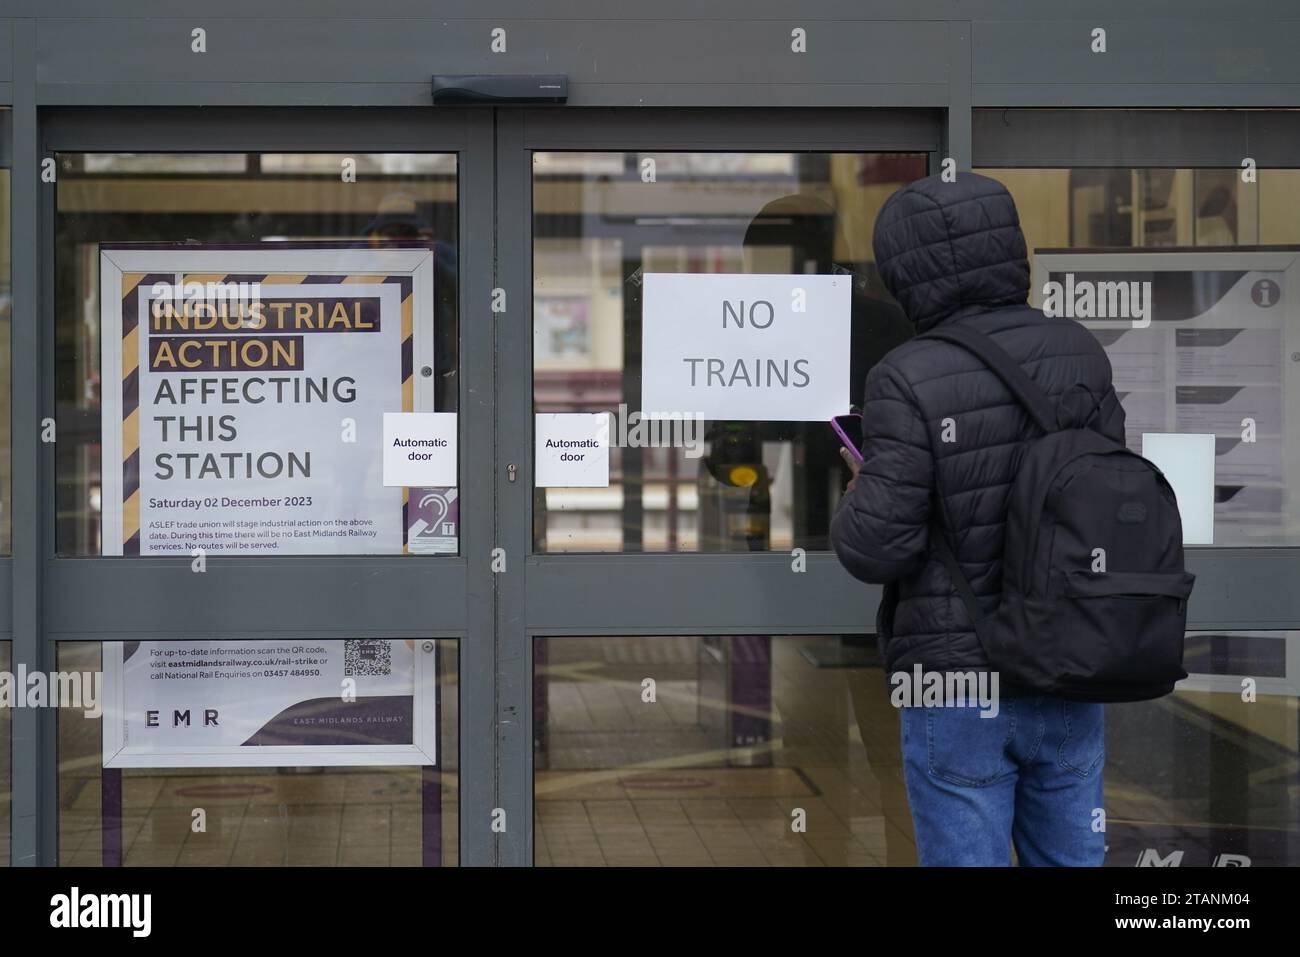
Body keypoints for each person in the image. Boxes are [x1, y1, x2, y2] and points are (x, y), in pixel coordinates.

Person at [830, 171, 1126, 866]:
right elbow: (1108, 498)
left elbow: (876, 546)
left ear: (905, 270)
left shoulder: (905, 374)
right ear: (1009, 246)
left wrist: (861, 483)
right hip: (1070, 663)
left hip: (955, 679)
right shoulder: (1079, 351)